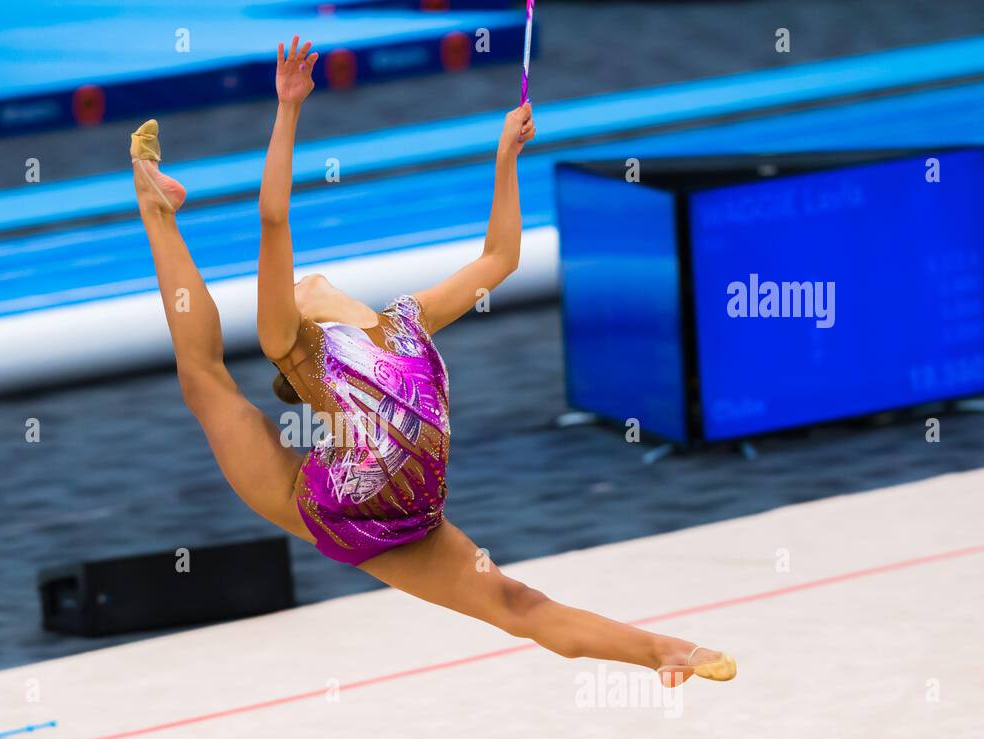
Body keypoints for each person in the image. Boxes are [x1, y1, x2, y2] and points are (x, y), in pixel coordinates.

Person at [129, 37, 735, 686]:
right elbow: (273, 219)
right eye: (295, 288)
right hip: (327, 503)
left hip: (413, 522)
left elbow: (499, 259)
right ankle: (155, 208)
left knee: (518, 604)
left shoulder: (409, 319)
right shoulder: (296, 342)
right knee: (204, 379)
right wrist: (289, 108)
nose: (300, 282)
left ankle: (663, 651)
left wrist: (507, 156)